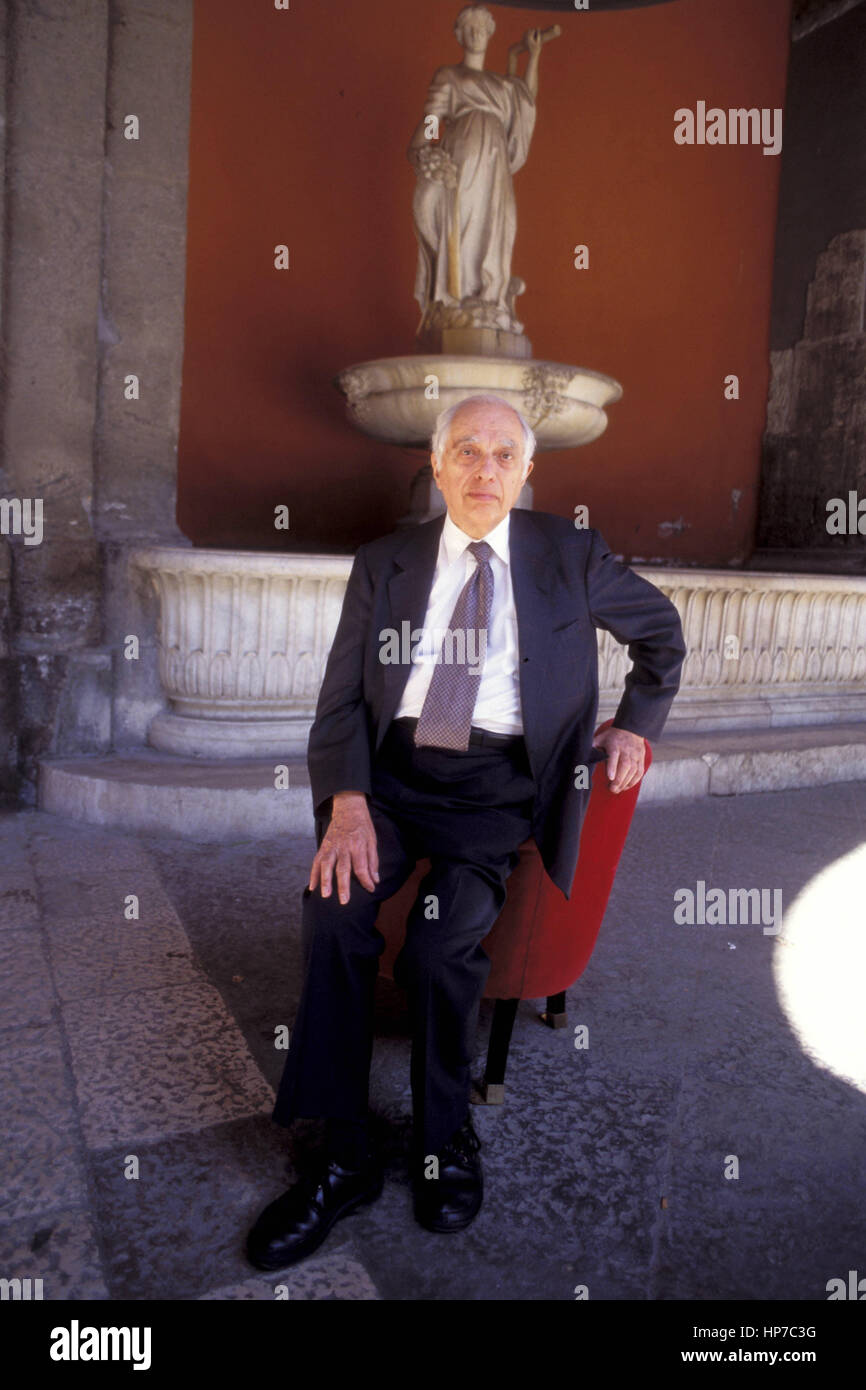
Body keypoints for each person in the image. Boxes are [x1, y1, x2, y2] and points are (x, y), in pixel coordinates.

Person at [246, 394, 686, 1270]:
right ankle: (342, 1156)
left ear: (528, 471)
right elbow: (340, 700)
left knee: (444, 945)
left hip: (498, 790)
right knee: (332, 913)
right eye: (466, 452)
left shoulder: (570, 554)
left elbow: (662, 635)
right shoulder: (386, 562)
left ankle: (444, 1139)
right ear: (437, 465)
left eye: (502, 455)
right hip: (396, 778)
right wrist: (347, 801)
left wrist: (638, 722)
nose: (484, 470)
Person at [408, 5, 543, 338]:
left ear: (490, 33)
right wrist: (422, 143)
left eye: (482, 28)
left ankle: (491, 299)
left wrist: (535, 56)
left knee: (500, 223)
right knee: (466, 222)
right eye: (469, 28)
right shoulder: (449, 76)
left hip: (496, 162)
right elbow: (433, 117)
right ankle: (461, 300)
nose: (476, 33)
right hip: (464, 155)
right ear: (459, 35)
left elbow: (526, 101)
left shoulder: (501, 84)